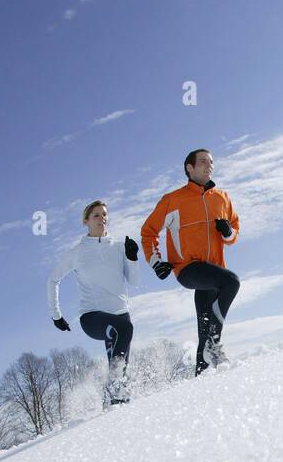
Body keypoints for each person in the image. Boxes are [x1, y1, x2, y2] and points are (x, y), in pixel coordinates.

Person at [141, 148, 240, 375]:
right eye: (203, 162)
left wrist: (227, 233)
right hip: (188, 268)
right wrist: (156, 261)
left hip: (213, 272)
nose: (209, 166)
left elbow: (235, 231)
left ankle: (200, 378)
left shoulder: (222, 198)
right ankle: (214, 345)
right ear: (190, 168)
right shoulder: (173, 200)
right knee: (232, 282)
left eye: (211, 162)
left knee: (202, 338)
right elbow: (148, 232)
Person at [47, 201, 141, 404]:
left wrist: (133, 258)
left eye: (105, 214)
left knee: (118, 368)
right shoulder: (78, 253)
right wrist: (56, 315)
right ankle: (115, 390)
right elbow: (53, 279)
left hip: (121, 315)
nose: (103, 218)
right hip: (92, 318)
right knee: (120, 358)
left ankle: (115, 405)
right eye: (97, 215)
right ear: (86, 221)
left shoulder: (118, 247)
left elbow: (134, 282)